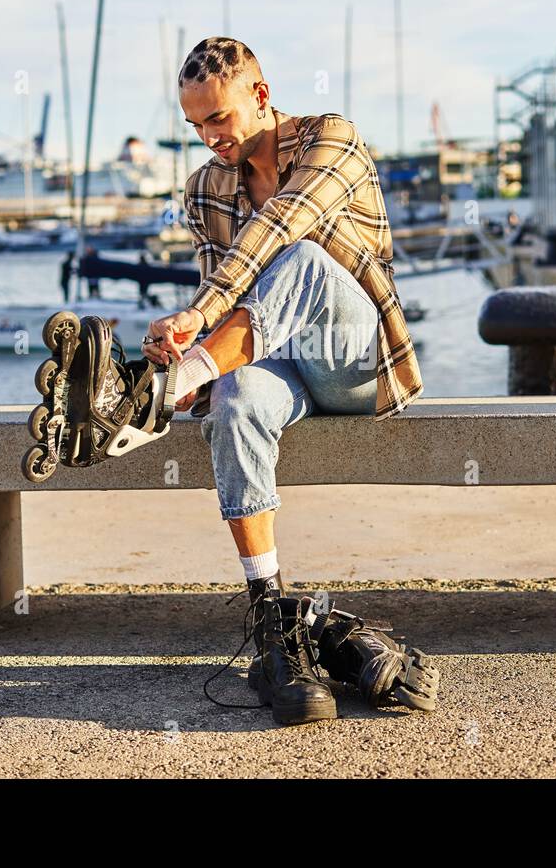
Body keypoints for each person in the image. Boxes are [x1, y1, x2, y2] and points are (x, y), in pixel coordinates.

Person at [139, 37, 436, 725]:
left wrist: (199, 324)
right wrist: (184, 347)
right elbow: (221, 285)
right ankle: (272, 609)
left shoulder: (333, 140)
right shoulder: (204, 190)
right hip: (277, 365)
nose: (209, 138)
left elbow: (277, 230)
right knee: (237, 402)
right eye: (194, 125)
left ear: (262, 97)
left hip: (355, 359)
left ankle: (176, 383)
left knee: (298, 257)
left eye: (218, 119)